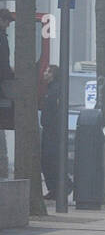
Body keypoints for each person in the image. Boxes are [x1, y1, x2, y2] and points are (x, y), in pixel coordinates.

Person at [39, 65, 67, 199]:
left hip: (52, 130)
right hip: (49, 128)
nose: (45, 73)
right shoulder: (50, 89)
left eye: (48, 71)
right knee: (49, 160)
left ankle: (62, 186)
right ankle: (57, 188)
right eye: (46, 70)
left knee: (49, 159)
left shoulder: (55, 90)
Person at [0, 9, 13, 178]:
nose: (9, 25)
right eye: (7, 21)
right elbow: (3, 62)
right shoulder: (2, 38)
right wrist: (10, 76)